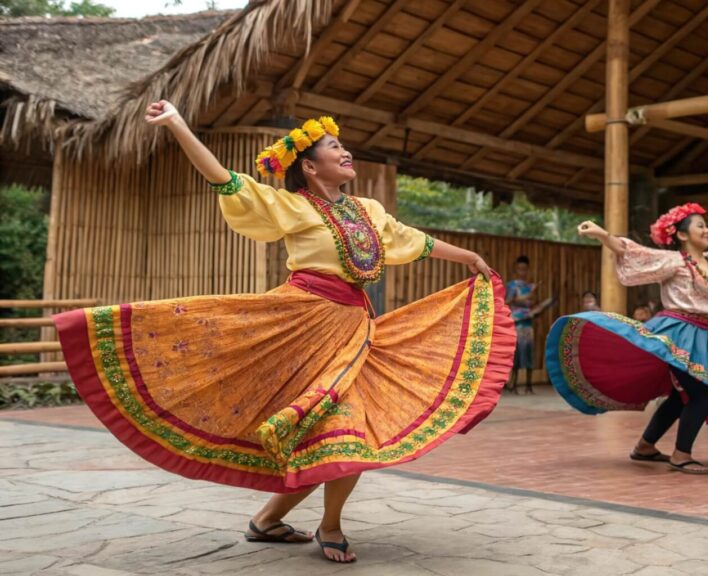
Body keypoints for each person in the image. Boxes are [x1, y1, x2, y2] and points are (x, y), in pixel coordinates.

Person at [53, 101, 514, 563]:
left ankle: (269, 521)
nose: (347, 152)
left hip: (354, 328)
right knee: (330, 432)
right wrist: (177, 124)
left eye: (344, 146)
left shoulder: (367, 210)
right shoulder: (291, 206)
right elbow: (223, 180)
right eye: (336, 147)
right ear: (310, 167)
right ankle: (324, 525)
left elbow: (412, 240)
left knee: (342, 433)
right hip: (301, 324)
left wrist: (468, 258)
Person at [545, 203, 708, 474]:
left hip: (707, 337)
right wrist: (602, 234)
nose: (707, 230)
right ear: (681, 235)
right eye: (700, 226)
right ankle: (681, 454)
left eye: (706, 225)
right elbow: (631, 251)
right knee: (703, 393)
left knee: (684, 396)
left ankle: (645, 446)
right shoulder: (673, 262)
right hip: (679, 333)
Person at [506, 256, 542, 395]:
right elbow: (507, 301)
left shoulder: (530, 287)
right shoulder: (512, 285)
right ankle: (513, 384)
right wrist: (519, 298)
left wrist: (536, 310)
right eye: (520, 269)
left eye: (525, 269)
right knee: (516, 353)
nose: (522, 272)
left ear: (528, 270)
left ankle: (528, 385)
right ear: (516, 269)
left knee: (528, 352)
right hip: (515, 323)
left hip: (528, 323)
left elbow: (534, 303)